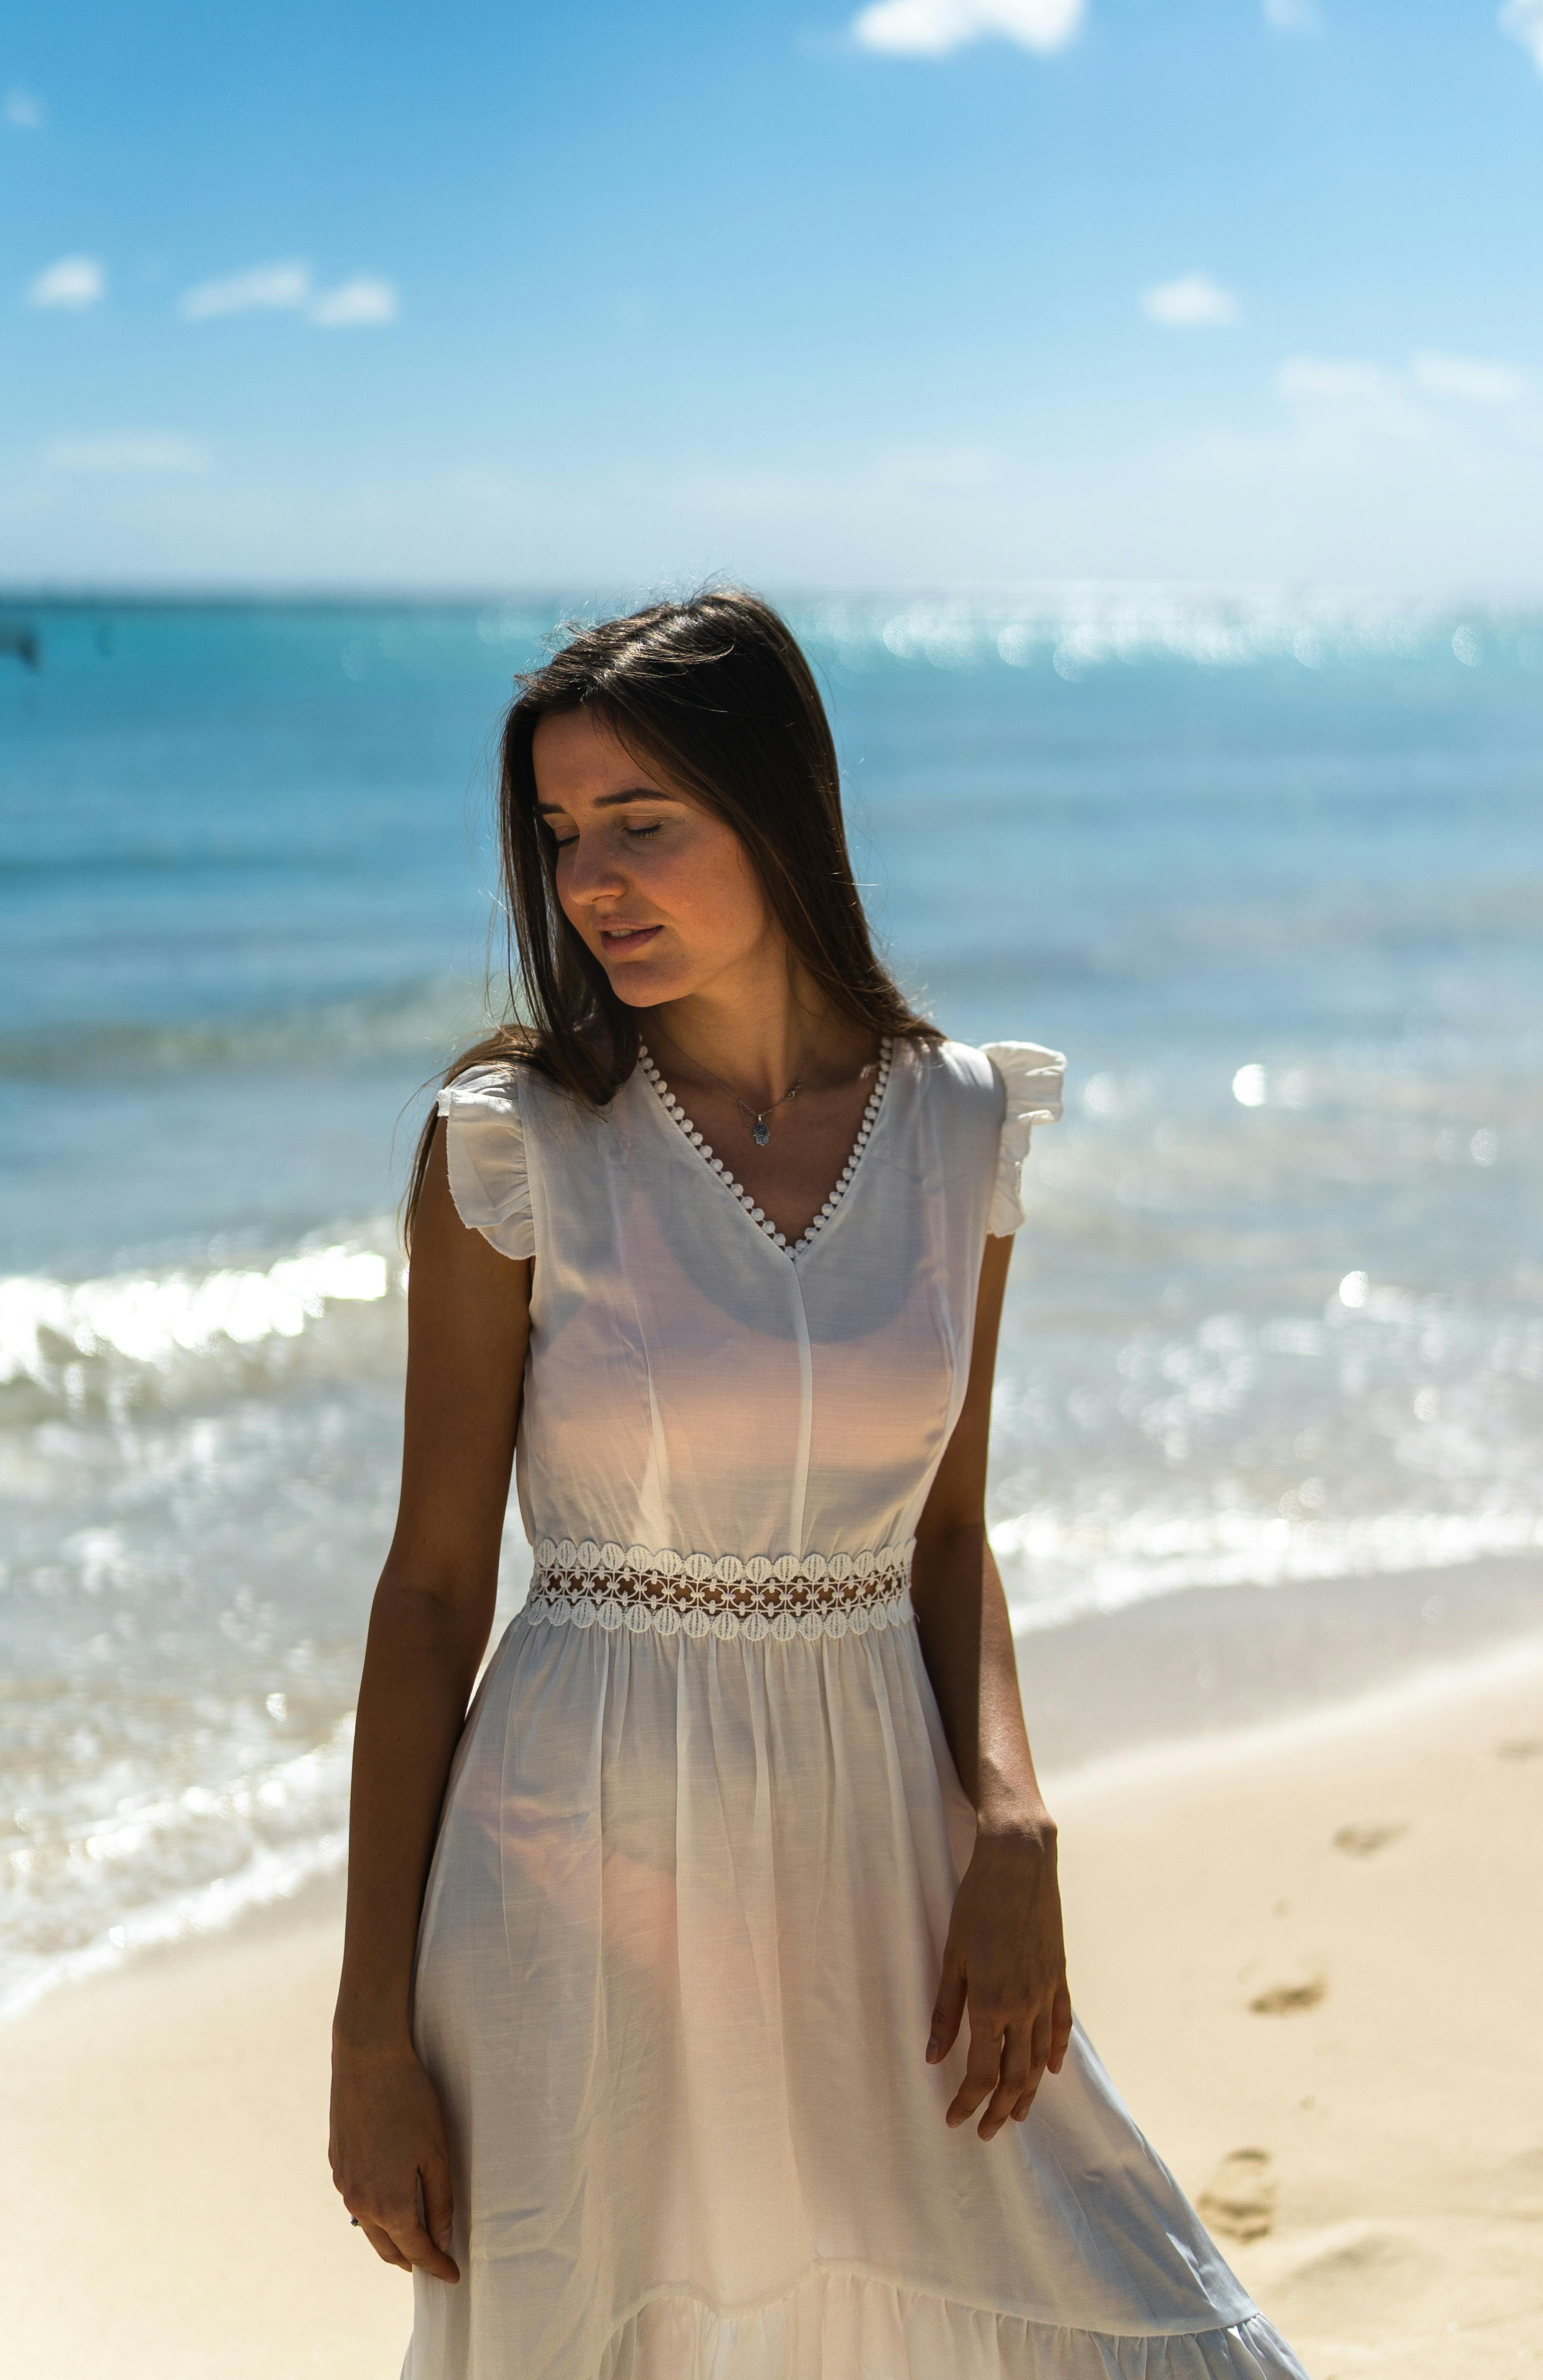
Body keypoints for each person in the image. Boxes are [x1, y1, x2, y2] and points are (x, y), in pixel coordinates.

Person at [328, 590, 1308, 2380]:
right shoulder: (516, 1147)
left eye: (644, 823)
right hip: (571, 1848)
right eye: (560, 839)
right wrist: (367, 2030)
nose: (592, 884)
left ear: (779, 811)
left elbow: (947, 1528)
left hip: (884, 1844)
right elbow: (431, 1596)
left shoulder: (957, 1131)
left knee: (1085, 2286)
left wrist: (1011, 1816)